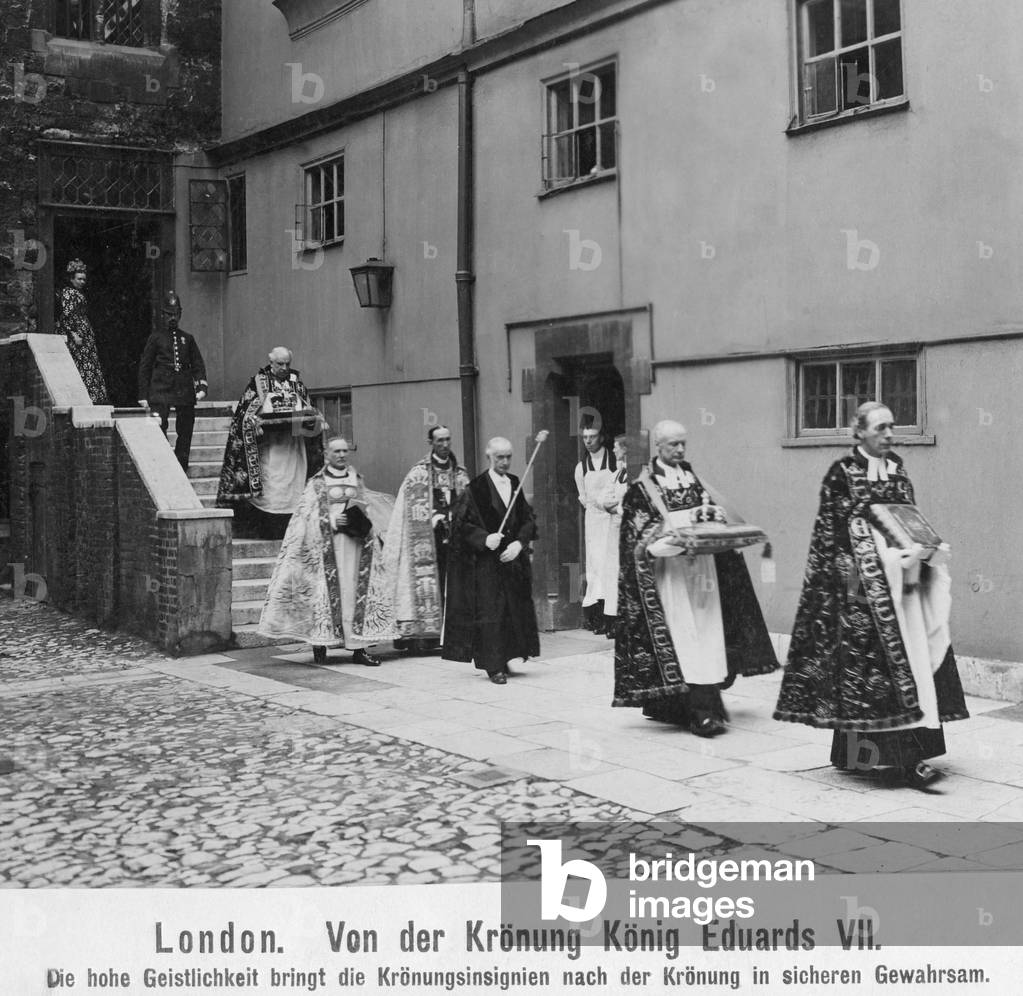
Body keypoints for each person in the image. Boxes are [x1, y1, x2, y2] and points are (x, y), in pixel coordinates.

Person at [774, 402, 968, 789]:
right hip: (861, 594)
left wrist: (925, 552)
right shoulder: (841, 475)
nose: (889, 434)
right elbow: (834, 539)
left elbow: (909, 520)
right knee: (867, 675)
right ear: (859, 431)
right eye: (880, 427)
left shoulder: (898, 469)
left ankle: (877, 754)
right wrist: (886, 563)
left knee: (910, 665)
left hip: (905, 588)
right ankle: (898, 761)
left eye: (892, 426)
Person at [613, 420, 778, 736]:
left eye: (683, 444)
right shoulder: (642, 490)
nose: (680, 450)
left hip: (705, 572)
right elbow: (636, 543)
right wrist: (671, 541)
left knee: (708, 636)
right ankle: (699, 711)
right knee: (685, 639)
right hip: (672, 577)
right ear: (658, 446)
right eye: (673, 444)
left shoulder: (696, 482)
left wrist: (715, 524)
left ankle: (704, 704)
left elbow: (715, 519)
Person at [258, 436, 390, 666]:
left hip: (356, 546)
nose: (341, 455)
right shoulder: (317, 484)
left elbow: (365, 507)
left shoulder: (356, 478)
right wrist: (330, 520)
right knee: (325, 595)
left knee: (354, 594)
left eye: (344, 451)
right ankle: (320, 644)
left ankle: (359, 649)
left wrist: (362, 520)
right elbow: (303, 516)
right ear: (326, 454)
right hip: (327, 548)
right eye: (336, 451)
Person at [442, 436, 540, 684]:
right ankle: (493, 665)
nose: (505, 462)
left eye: (508, 457)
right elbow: (461, 526)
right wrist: (484, 538)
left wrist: (519, 544)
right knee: (491, 612)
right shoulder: (475, 489)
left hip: (512, 560)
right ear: (489, 457)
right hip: (486, 563)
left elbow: (527, 519)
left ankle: (506, 655)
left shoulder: (515, 483)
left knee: (511, 609)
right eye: (499, 457)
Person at [379, 425, 470, 654]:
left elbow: (467, 503)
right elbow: (409, 509)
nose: (445, 445)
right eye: (440, 440)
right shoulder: (418, 474)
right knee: (428, 585)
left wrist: (455, 518)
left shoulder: (460, 473)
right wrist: (436, 518)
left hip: (455, 538)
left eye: (448, 439)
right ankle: (422, 638)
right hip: (428, 538)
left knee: (453, 584)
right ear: (431, 443)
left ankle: (449, 635)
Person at [215, 347, 324, 537]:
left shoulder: (297, 384)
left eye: (287, 364)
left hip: (293, 448)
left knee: (293, 489)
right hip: (270, 448)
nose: (284, 368)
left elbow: (309, 412)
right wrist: (255, 423)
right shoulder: (258, 383)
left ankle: (291, 530)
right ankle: (269, 529)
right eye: (280, 364)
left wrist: (311, 420)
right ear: (271, 362)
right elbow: (245, 415)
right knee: (272, 488)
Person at [138, 290, 208, 471]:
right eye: (169, 314)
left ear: (180, 314)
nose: (172, 318)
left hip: (183, 388)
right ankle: (162, 463)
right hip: (160, 388)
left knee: (186, 428)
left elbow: (197, 364)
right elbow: (145, 366)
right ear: (162, 315)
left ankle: (181, 463)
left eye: (175, 314)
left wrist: (201, 386)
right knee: (157, 426)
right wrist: (143, 395)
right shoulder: (155, 338)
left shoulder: (187, 338)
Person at [575, 425, 617, 633]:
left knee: (611, 564)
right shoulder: (581, 467)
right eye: (585, 438)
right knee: (595, 565)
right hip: (593, 521)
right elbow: (583, 497)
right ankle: (598, 618)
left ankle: (613, 618)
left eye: (592, 436)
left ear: (601, 437)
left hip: (612, 519)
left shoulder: (615, 461)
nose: (588, 441)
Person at [56, 259, 109, 404]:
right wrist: (73, 334)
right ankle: (84, 398)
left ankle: (94, 398)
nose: (82, 282)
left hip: (85, 335)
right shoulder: (68, 293)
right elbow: (66, 315)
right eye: (79, 279)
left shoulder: (77, 293)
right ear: (71, 278)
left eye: (84, 279)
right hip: (78, 337)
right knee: (82, 365)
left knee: (90, 365)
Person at [598, 434, 630, 636]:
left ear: (625, 449)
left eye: (617, 447)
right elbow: (602, 499)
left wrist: (617, 507)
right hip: (613, 531)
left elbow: (630, 504)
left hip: (626, 531)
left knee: (625, 572)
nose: (614, 450)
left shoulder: (634, 474)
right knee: (612, 572)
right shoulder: (616, 474)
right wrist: (614, 505)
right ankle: (613, 618)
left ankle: (626, 621)